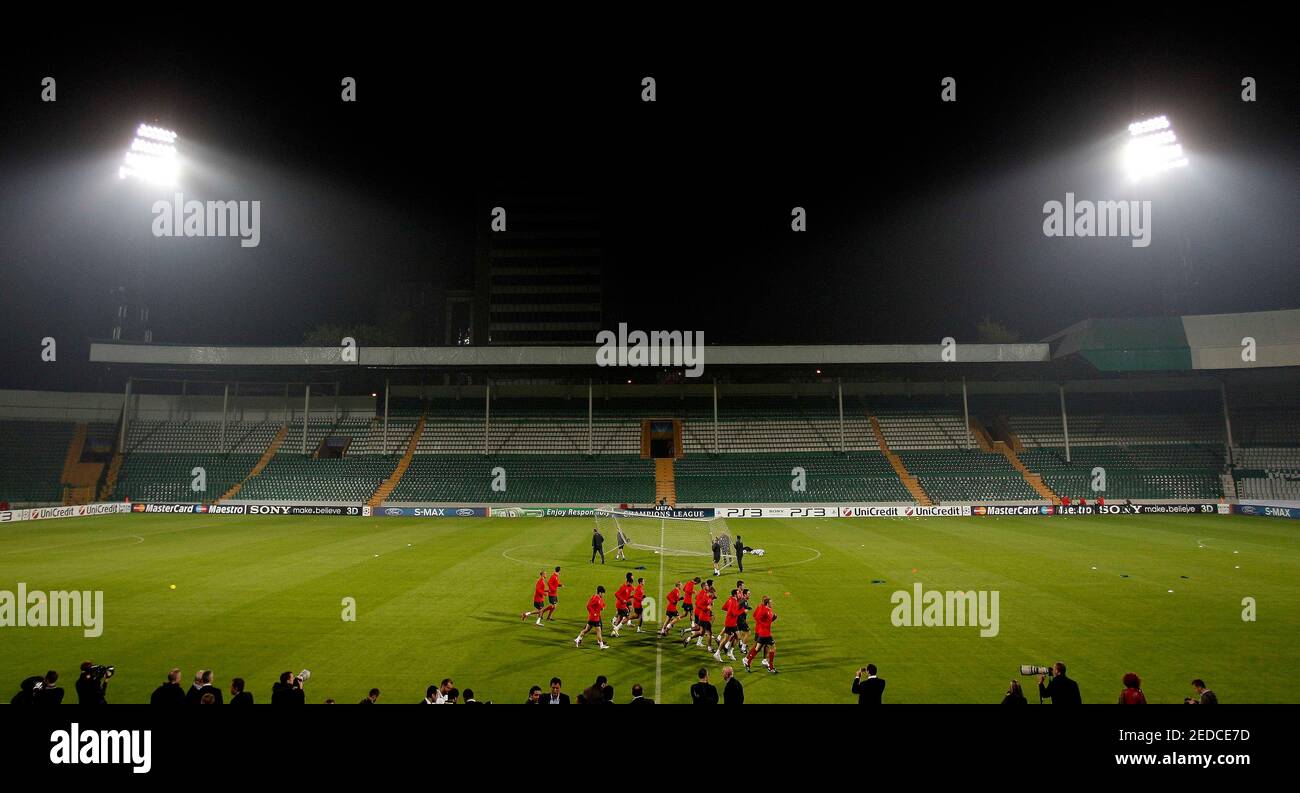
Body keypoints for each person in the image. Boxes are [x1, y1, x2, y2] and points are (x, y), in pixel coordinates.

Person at [743, 595, 778, 674]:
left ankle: (747, 663)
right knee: (773, 648)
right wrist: (763, 625)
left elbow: (768, 621)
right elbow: (757, 618)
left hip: (764, 633)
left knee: (757, 648)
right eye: (770, 602)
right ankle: (771, 667)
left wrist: (773, 619)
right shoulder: (764, 610)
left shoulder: (769, 610)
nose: (772, 603)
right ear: (767, 603)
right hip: (765, 633)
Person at [575, 585, 610, 649]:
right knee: (599, 631)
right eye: (603, 593)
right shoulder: (595, 598)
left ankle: (577, 639)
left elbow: (601, 604)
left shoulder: (599, 598)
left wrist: (602, 607)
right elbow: (588, 606)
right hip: (594, 618)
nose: (603, 595)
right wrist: (594, 614)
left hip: (593, 618)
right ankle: (601, 645)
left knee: (586, 630)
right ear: (600, 593)